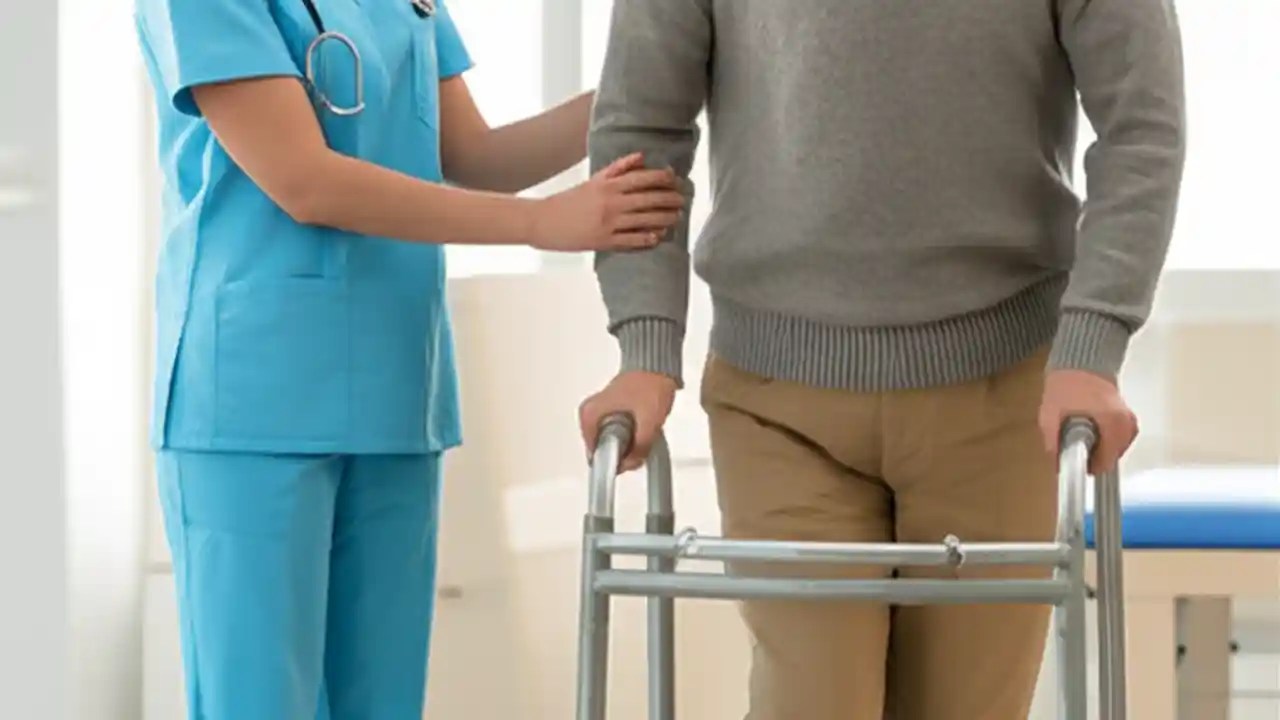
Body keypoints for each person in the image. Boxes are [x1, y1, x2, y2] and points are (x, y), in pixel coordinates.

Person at [579, 1, 1185, 718]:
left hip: (1006, 392)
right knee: (810, 701)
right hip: (776, 398)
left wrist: (1093, 343)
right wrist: (646, 342)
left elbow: (1140, 126)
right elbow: (643, 129)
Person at [133, 0, 684, 717]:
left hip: (395, 390)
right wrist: (539, 225)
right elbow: (306, 181)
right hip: (253, 396)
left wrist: (655, 76)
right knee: (261, 701)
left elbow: (479, 157)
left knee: (384, 703)